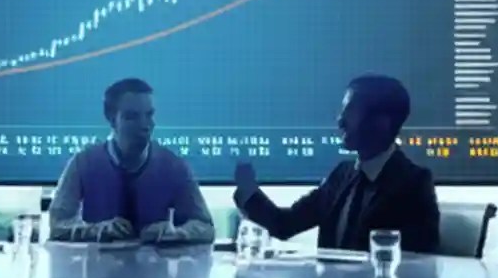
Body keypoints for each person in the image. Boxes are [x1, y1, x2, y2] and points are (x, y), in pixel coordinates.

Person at [233, 75, 440, 253]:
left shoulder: (413, 184)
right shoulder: (342, 175)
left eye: (349, 112)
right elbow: (285, 224)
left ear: (381, 123)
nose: (340, 121)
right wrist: (247, 189)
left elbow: (419, 264)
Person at [49, 78, 214, 243]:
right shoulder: (84, 163)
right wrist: (96, 231)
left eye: (149, 115)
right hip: (98, 265)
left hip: (156, 266)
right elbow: (57, 225)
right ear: (112, 120)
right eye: (132, 117)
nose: (145, 125)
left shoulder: (173, 166)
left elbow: (206, 227)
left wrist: (176, 233)